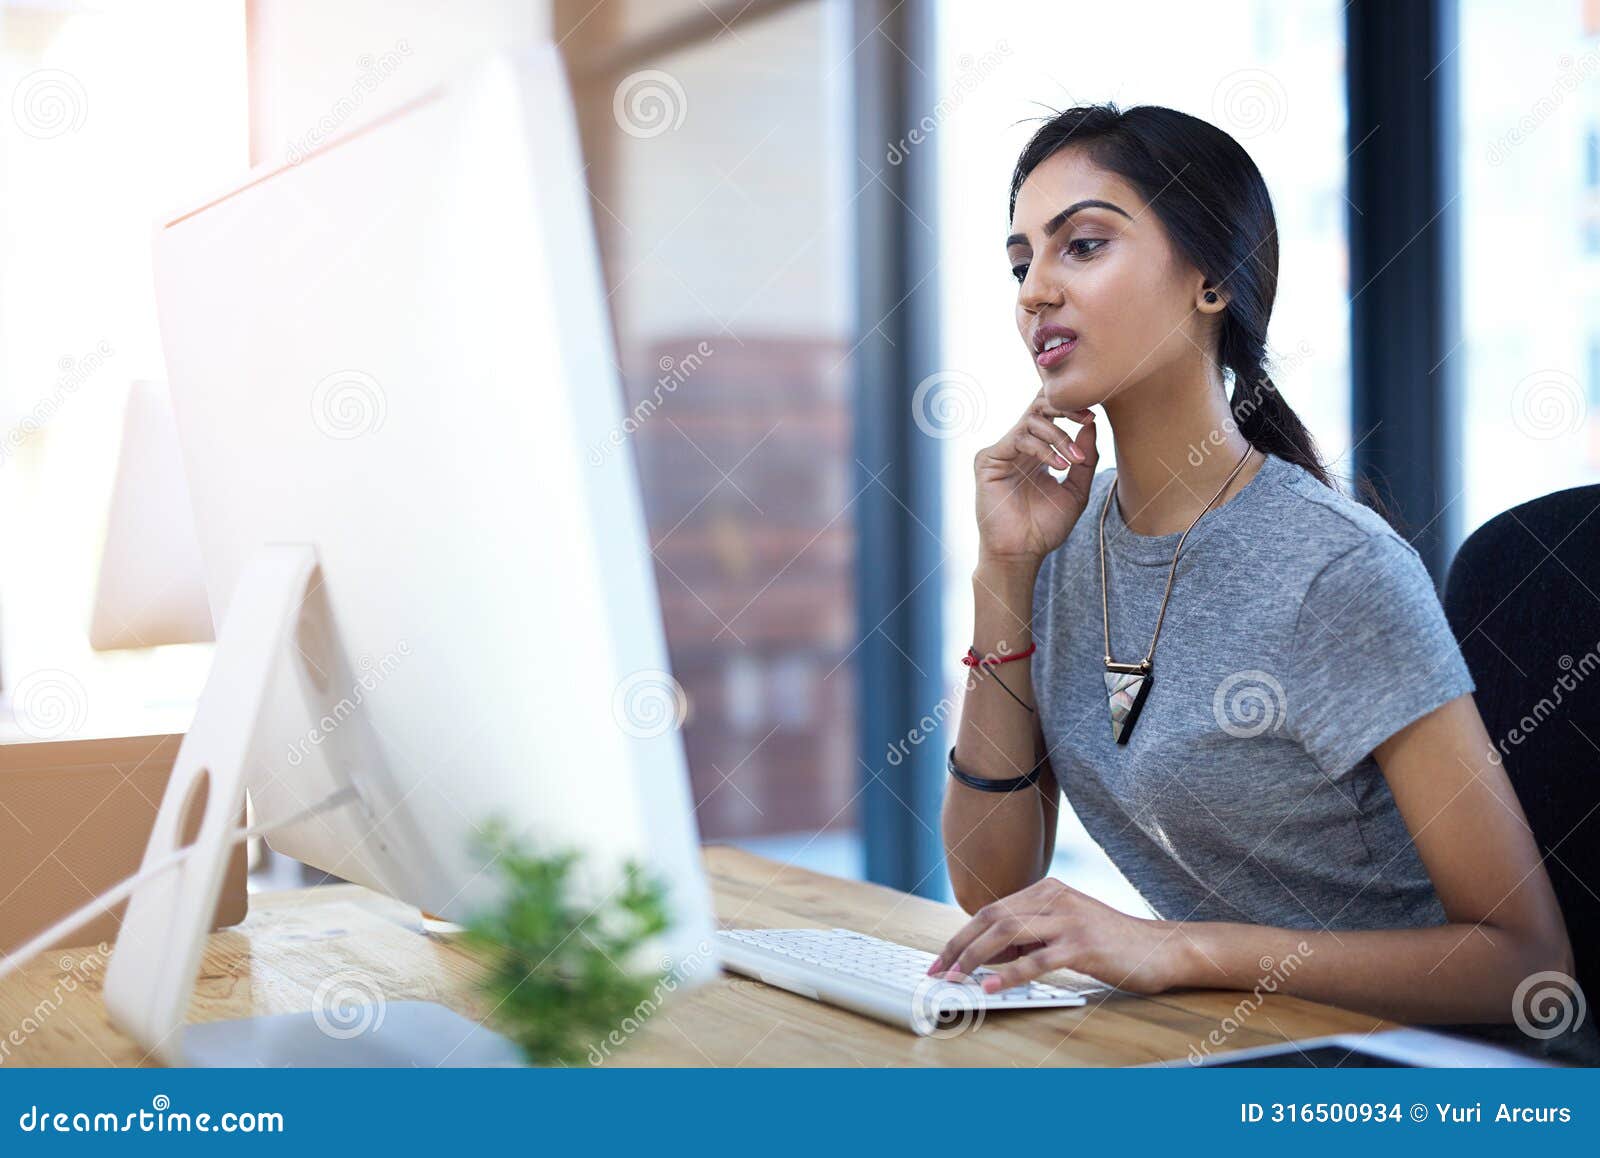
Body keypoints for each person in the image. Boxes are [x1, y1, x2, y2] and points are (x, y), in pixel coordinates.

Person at [934, 103, 1594, 1063]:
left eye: (1081, 246)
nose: (1035, 290)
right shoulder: (1061, 540)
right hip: (1254, 1047)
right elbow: (992, 886)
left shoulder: (1332, 569)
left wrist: (1174, 949)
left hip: (1452, 1073)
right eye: (1019, 262)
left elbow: (1527, 966)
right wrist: (1004, 569)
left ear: (1210, 281)